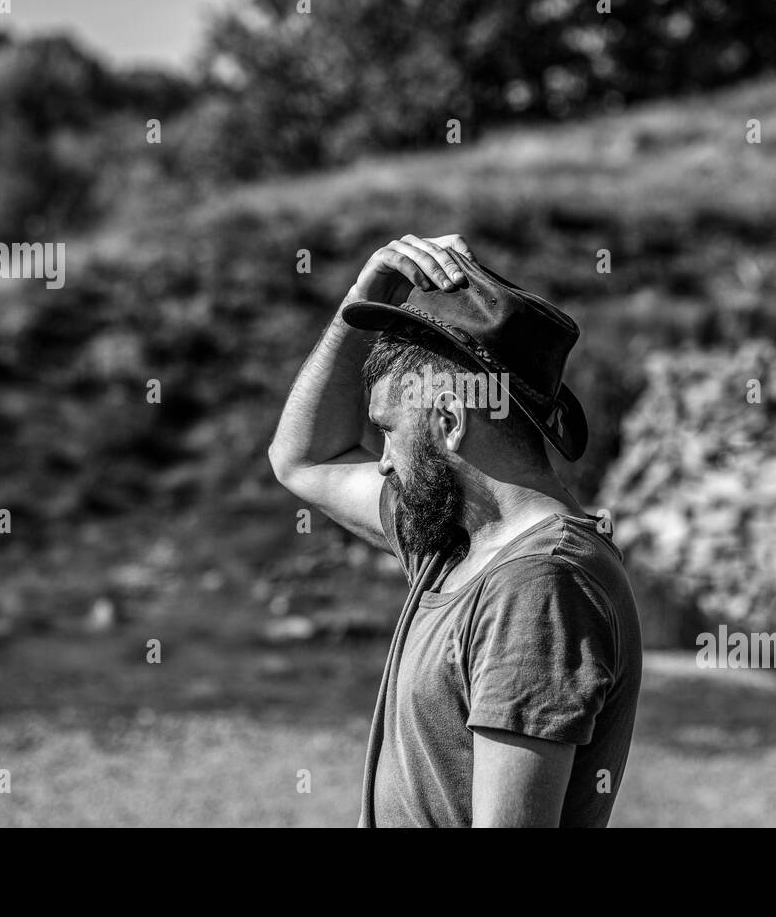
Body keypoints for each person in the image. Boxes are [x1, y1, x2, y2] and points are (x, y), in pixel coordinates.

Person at [268, 233, 642, 827]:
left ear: (448, 421)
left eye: (389, 429)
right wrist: (359, 305)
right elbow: (303, 460)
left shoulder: (538, 584)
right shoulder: (455, 541)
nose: (383, 460)